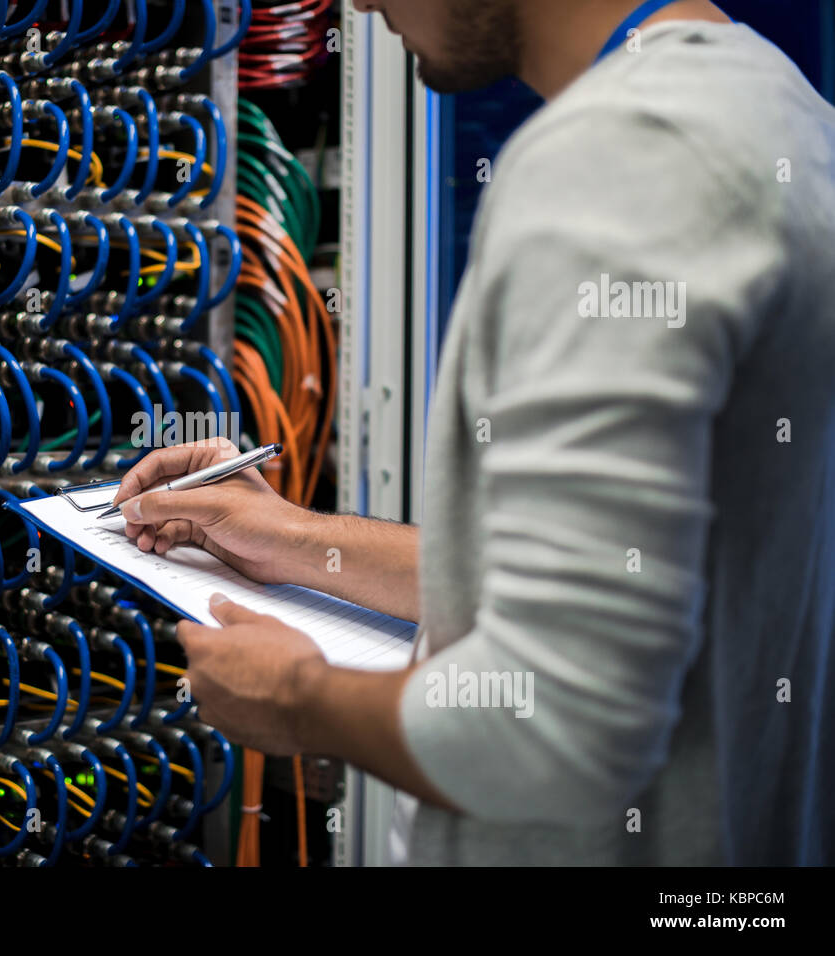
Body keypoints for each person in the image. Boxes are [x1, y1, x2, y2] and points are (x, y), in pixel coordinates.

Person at [109, 0, 835, 865]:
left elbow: (556, 725)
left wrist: (300, 698)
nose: (364, 3)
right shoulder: (785, 117)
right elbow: (620, 573)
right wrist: (295, 537)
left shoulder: (616, 159)